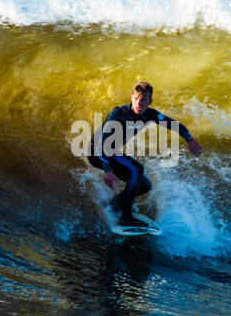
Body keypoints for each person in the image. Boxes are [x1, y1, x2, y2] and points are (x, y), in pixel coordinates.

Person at [87, 81, 202, 228]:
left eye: (143, 100)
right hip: (98, 152)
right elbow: (101, 145)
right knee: (137, 169)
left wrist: (190, 140)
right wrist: (108, 170)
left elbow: (175, 125)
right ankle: (126, 217)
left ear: (150, 101)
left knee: (145, 186)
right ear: (132, 97)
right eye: (136, 99)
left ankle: (115, 205)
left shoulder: (150, 115)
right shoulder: (118, 114)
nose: (139, 104)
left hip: (110, 152)